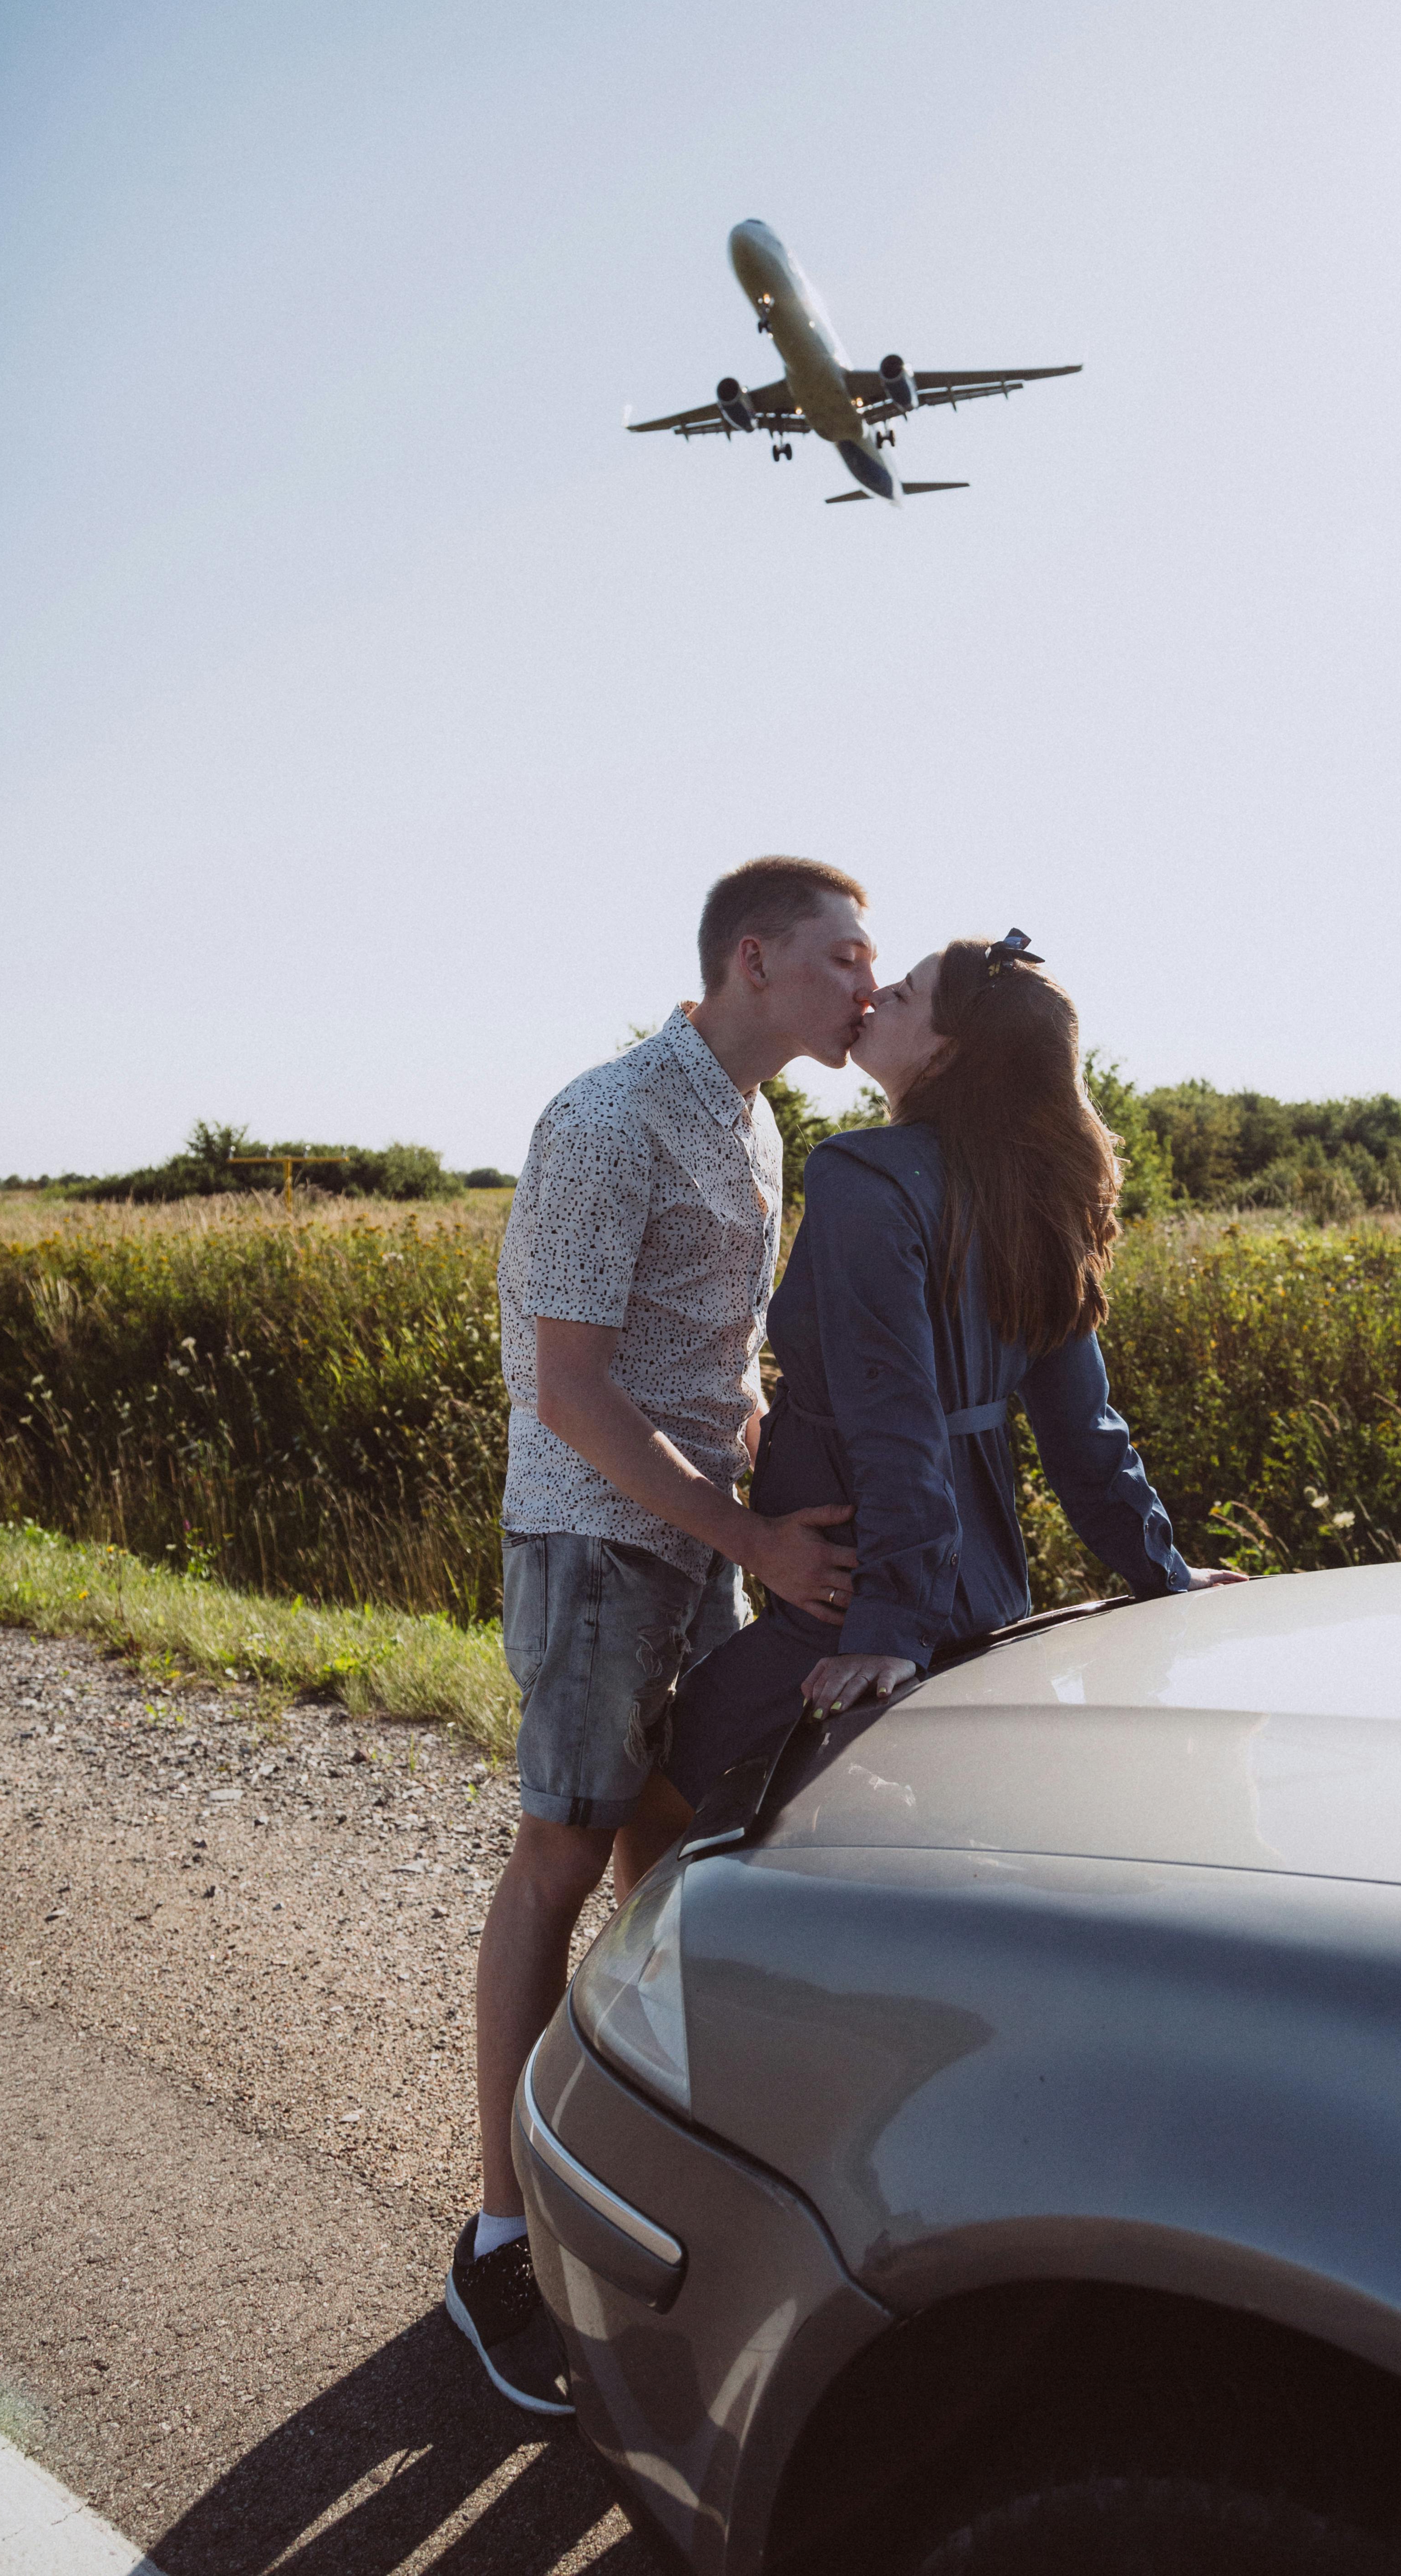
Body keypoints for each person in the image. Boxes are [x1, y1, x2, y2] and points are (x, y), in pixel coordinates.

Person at [445, 855, 877, 2415]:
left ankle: (616, 2168)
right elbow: (568, 1391)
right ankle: (497, 2237)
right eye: (843, 958)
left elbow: (701, 1339)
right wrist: (753, 1536)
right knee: (562, 1854)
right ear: (754, 959)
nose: (866, 986)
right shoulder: (608, 1117)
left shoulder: (760, 1122)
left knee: (671, 1844)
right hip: (596, 1540)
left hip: (690, 1535)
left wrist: (755, 1430)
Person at [664, 929, 1244, 1814]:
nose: (874, 996)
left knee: (672, 1775)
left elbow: (892, 1410)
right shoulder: (1034, 1194)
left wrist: (892, 1624)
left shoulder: (861, 1173)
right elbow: (1086, 1432)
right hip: (984, 1595)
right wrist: (1159, 1568)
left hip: (859, 1594)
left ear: (949, 1050)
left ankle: (666, 1959)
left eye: (903, 993)